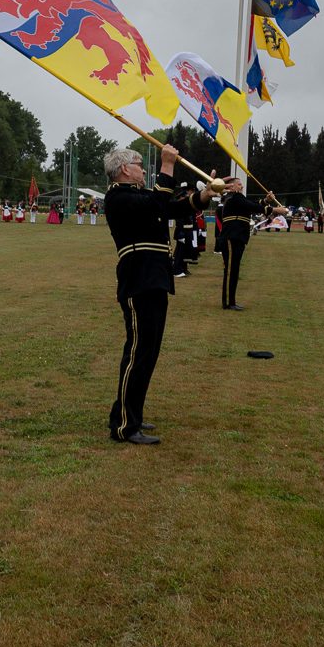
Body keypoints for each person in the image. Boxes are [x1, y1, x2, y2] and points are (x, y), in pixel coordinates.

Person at [104, 145, 221, 445]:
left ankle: (130, 415)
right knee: (138, 352)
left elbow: (173, 207)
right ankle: (125, 427)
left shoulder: (141, 196)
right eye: (140, 165)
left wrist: (205, 195)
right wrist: (167, 165)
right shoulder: (117, 197)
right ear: (125, 169)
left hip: (154, 278)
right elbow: (158, 203)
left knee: (148, 353)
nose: (144, 169)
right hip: (138, 278)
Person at [216, 177, 276, 310]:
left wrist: (266, 200)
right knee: (231, 270)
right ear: (231, 187)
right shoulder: (232, 198)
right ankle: (228, 302)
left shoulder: (238, 199)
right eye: (239, 184)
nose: (241, 187)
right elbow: (252, 206)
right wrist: (274, 210)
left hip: (238, 237)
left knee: (234, 270)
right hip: (232, 237)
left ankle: (231, 300)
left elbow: (250, 203)